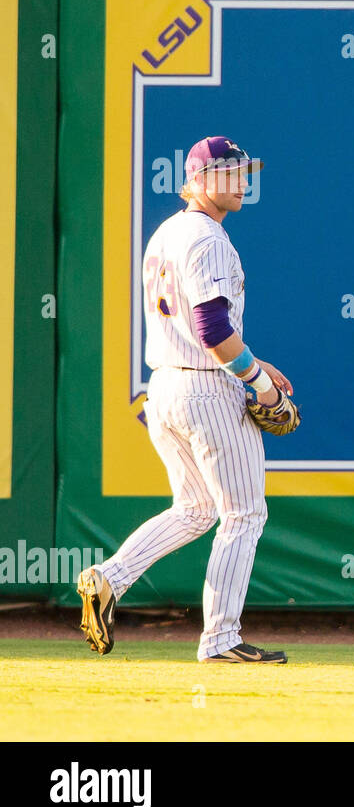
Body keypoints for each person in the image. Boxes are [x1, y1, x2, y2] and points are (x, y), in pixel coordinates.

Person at [77, 136, 293, 663]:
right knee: (243, 513)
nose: (241, 180)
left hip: (165, 388)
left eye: (243, 171)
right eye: (228, 172)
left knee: (196, 508)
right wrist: (260, 386)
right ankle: (220, 640)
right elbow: (213, 329)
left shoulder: (167, 232)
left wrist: (258, 364)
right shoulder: (209, 238)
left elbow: (200, 328)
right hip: (205, 387)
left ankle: (108, 578)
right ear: (196, 181)